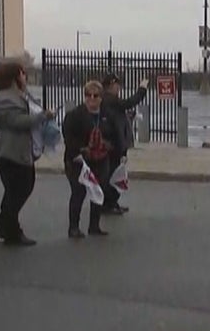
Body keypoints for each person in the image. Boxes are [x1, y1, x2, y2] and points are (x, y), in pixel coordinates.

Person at [0, 60, 55, 246]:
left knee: (16, 189)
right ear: (15, 76)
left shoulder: (18, 94)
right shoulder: (5, 97)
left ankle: (8, 227)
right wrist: (43, 116)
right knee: (20, 188)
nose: (26, 76)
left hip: (17, 150)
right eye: (23, 73)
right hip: (8, 150)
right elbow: (17, 121)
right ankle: (8, 227)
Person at [62, 80, 117, 238]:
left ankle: (94, 226)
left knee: (98, 191)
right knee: (78, 192)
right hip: (78, 160)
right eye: (88, 95)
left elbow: (114, 134)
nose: (91, 98)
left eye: (95, 95)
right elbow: (68, 136)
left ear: (101, 98)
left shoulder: (107, 115)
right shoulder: (74, 115)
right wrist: (78, 152)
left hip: (101, 159)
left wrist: (110, 146)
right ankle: (73, 227)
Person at [99, 73, 148, 215]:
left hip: (117, 142)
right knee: (113, 174)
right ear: (110, 85)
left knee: (115, 173)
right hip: (113, 143)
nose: (119, 88)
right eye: (116, 85)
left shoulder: (110, 101)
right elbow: (129, 102)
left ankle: (111, 203)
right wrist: (142, 89)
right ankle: (108, 204)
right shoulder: (109, 99)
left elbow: (118, 113)